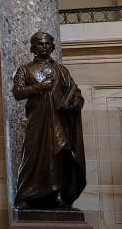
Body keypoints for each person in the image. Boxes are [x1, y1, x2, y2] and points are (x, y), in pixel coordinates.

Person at [12, 32, 86, 208]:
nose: (44, 47)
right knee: (32, 157)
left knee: (58, 155)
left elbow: (75, 93)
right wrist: (39, 87)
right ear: (33, 47)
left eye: (47, 44)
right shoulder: (25, 69)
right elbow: (18, 92)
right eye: (40, 44)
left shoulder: (61, 70)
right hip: (37, 121)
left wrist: (74, 103)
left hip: (59, 120)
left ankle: (57, 194)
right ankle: (27, 195)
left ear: (52, 47)